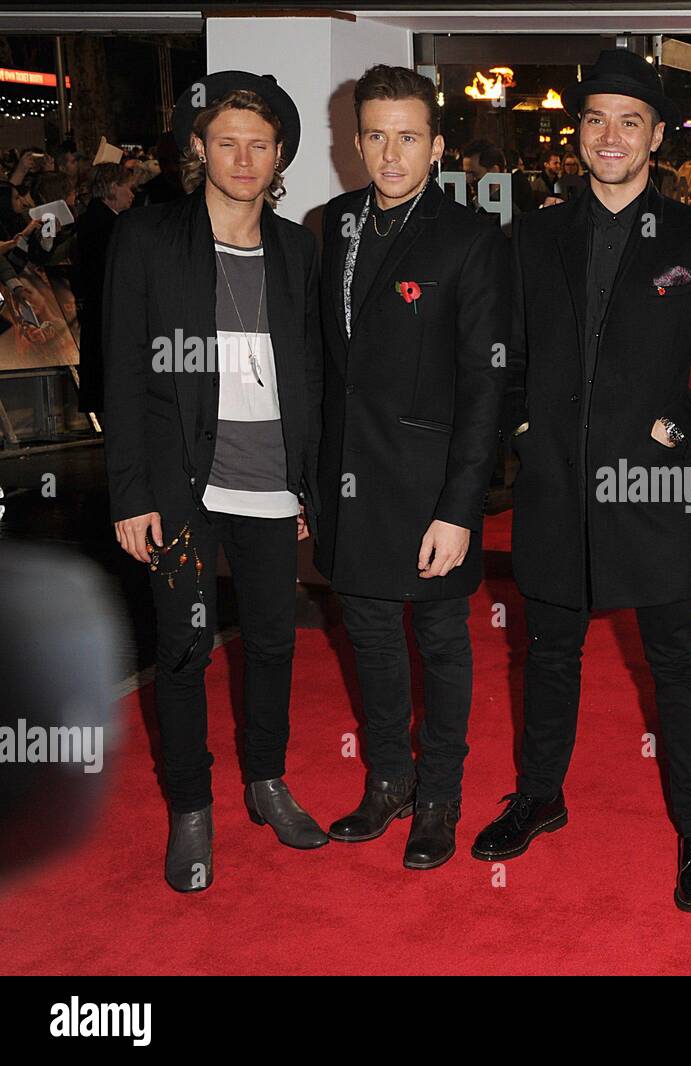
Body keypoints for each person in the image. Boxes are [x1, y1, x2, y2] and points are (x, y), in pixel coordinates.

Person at [472, 48, 691, 913]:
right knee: (547, 652)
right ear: (579, 130)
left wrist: (676, 426)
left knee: (677, 660)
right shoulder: (533, 235)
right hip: (556, 486)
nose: (610, 136)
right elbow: (505, 355)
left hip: (656, 487)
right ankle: (541, 794)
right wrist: (523, 427)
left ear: (657, 137)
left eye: (630, 122)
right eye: (596, 119)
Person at [103, 71, 329, 893]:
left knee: (272, 644)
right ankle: (191, 808)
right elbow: (121, 370)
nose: (242, 157)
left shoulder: (296, 247)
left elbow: (307, 371)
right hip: (181, 487)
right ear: (199, 148)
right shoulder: (151, 238)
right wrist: (131, 492)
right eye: (226, 140)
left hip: (271, 485)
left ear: (278, 158)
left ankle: (266, 782)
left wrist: (308, 482)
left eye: (258, 145)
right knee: (185, 651)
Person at [314, 66, 508, 870]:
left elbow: (488, 384)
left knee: (438, 639)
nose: (390, 154)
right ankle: (389, 780)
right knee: (367, 635)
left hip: (430, 488)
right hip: (346, 483)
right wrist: (307, 481)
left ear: (435, 145)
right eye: (375, 136)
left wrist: (461, 508)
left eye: (408, 137)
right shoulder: (330, 225)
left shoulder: (471, 239)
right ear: (354, 141)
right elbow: (321, 365)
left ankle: (440, 797)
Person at [74, 162, 135, 415]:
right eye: (128, 188)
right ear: (113, 188)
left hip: (98, 310)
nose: (132, 194)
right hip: (108, 313)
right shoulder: (109, 225)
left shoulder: (96, 219)